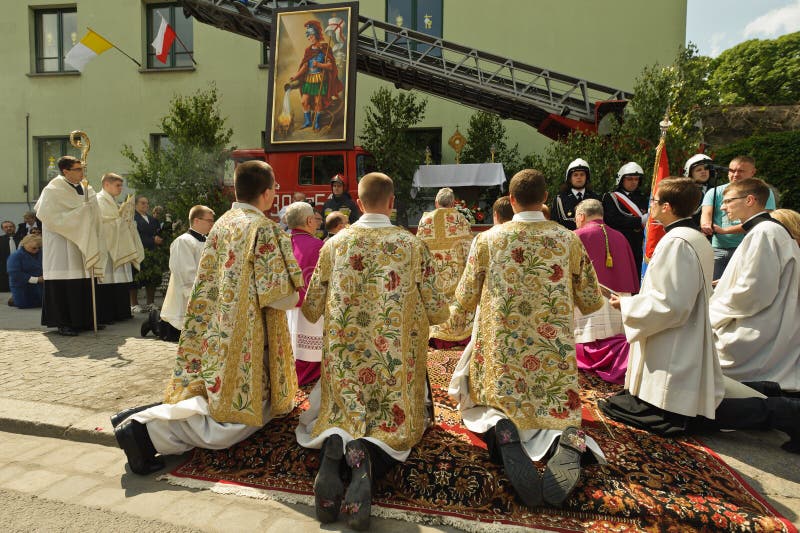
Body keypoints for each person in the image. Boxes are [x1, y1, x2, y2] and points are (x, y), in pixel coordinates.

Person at [112, 160, 304, 475]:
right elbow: (281, 296)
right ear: (268, 193)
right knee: (234, 420)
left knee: (226, 400)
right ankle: (145, 431)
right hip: (248, 338)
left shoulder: (222, 223)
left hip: (216, 330)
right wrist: (298, 294)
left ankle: (146, 417)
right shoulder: (264, 229)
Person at [602, 177, 800, 454]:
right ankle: (774, 396)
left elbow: (672, 305)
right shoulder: (693, 237)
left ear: (668, 206)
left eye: (655, 202)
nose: (651, 207)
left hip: (678, 337)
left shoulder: (679, 242)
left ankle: (783, 410)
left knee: (688, 410)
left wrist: (628, 305)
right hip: (684, 331)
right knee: (691, 399)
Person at [296, 172, 449, 530]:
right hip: (394, 362)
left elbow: (312, 307)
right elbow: (439, 310)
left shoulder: (334, 244)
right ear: (392, 203)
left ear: (359, 204)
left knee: (338, 411)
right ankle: (364, 456)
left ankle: (334, 447)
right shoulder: (411, 245)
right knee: (397, 428)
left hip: (346, 360)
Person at [449, 169, 605, 509]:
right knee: (557, 414)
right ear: (545, 198)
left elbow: (463, 297)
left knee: (486, 409)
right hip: (552, 355)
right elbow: (592, 300)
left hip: (501, 357)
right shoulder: (568, 239)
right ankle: (566, 438)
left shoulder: (489, 239)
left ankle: (503, 433)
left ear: (512, 199)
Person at [709, 178, 800, 393]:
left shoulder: (765, 232)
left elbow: (754, 291)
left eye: (728, 201)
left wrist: (712, 313)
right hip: (771, 317)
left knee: (704, 351)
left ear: (749, 200)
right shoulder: (767, 231)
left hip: (761, 322)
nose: (722, 207)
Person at [35, 156, 105, 336]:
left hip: (81, 242)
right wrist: (83, 211)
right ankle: (63, 322)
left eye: (82, 168)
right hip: (61, 244)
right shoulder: (53, 190)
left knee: (83, 280)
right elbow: (49, 216)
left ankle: (85, 320)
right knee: (64, 283)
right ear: (65, 171)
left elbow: (91, 210)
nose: (82, 172)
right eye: (78, 169)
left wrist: (91, 205)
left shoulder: (86, 188)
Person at [574, 199, 639, 384]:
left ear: (581, 216)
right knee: (616, 338)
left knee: (591, 339)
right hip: (619, 299)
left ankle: (591, 365)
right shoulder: (620, 236)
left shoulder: (575, 236)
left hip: (591, 299)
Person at [141, 205, 215, 342]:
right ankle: (153, 320)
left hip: (204, 293)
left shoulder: (208, 241)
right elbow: (184, 272)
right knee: (176, 331)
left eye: (212, 221)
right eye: (209, 220)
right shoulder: (183, 241)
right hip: (187, 295)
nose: (212, 224)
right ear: (197, 221)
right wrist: (196, 296)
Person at [700, 156, 775, 280]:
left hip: (747, 246)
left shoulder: (763, 191)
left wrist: (725, 231)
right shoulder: (714, 192)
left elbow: (762, 220)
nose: (735, 174)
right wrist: (706, 225)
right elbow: (706, 214)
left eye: (740, 171)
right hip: (718, 248)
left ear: (753, 172)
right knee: (712, 286)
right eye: (731, 170)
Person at [416, 187, 475, 347]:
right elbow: (470, 249)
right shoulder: (461, 220)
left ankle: (436, 336)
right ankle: (459, 336)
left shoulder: (425, 221)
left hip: (434, 275)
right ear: (453, 203)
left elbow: (419, 249)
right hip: (456, 274)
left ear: (436, 203)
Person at [283, 201, 325, 386]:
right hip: (310, 309)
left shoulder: (280, 243)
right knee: (311, 356)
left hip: (283, 307)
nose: (317, 223)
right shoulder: (319, 246)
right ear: (309, 220)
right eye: (315, 220)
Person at [96, 173, 144, 324]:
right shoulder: (99, 201)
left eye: (121, 185)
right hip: (107, 248)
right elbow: (102, 223)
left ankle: (121, 312)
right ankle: (107, 315)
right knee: (108, 281)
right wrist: (120, 220)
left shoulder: (113, 201)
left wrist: (128, 221)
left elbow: (118, 220)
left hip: (118, 245)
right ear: (106, 185)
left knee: (119, 281)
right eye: (117, 185)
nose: (120, 188)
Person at [289, 20, 344, 131]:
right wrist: (295, 76)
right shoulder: (308, 50)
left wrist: (319, 64)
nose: (309, 38)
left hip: (320, 79)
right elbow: (305, 66)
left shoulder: (325, 49)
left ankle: (317, 122)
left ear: (316, 35)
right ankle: (308, 121)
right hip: (309, 80)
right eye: (308, 36)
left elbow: (330, 66)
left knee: (317, 101)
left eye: (311, 35)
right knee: (304, 101)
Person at [602, 162, 649, 275]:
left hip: (640, 244)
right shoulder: (611, 197)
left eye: (636, 179)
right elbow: (612, 220)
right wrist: (639, 221)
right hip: (621, 242)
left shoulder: (644, 198)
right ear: (621, 179)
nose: (633, 182)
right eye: (629, 179)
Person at [130, 196, 164, 313]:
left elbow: (158, 231)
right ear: (135, 205)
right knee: (135, 278)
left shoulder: (152, 219)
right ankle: (134, 304)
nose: (146, 205)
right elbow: (135, 236)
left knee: (152, 278)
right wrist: (152, 240)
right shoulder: (132, 218)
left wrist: (160, 238)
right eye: (143, 203)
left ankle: (150, 303)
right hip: (138, 252)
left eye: (147, 203)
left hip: (152, 252)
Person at [551, 158, 601, 230]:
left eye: (582, 174)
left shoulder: (596, 199)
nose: (579, 177)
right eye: (575, 175)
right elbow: (554, 226)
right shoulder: (560, 200)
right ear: (569, 178)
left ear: (587, 178)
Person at [7, 234, 43, 308]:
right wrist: (36, 279)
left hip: (40, 286)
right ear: (25, 244)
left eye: (39, 248)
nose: (37, 250)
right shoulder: (15, 256)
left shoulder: (41, 253)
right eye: (34, 248)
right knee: (25, 305)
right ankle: (14, 299)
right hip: (22, 286)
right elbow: (14, 274)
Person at [684, 154, 713, 228]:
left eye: (706, 169)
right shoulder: (683, 191)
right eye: (699, 170)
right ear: (690, 174)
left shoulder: (714, 190)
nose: (703, 172)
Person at [0, 220, 16, 295]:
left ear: (14, 228)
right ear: (3, 229)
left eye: (11, 226)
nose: (9, 228)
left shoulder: (23, 238)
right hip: (4, 272)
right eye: (6, 227)